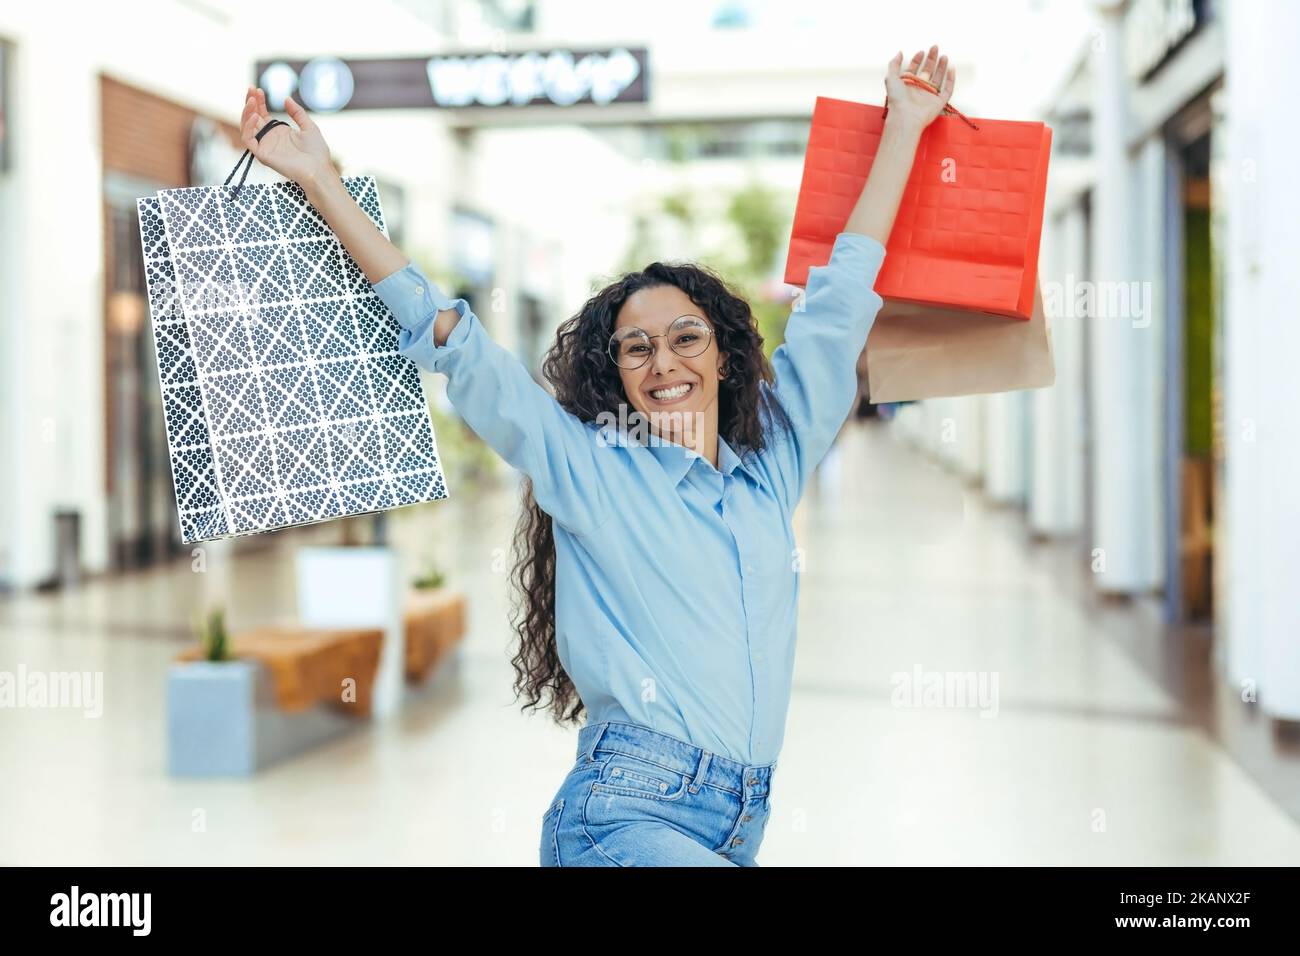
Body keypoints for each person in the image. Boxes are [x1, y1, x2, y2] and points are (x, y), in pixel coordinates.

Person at [239, 45, 956, 866]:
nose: (663, 364)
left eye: (686, 338)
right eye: (635, 348)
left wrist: (905, 126)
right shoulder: (589, 468)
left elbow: (837, 309)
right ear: (614, 373)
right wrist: (320, 183)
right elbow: (455, 344)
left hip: (740, 820)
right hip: (624, 819)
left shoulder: (773, 464)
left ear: (724, 354)